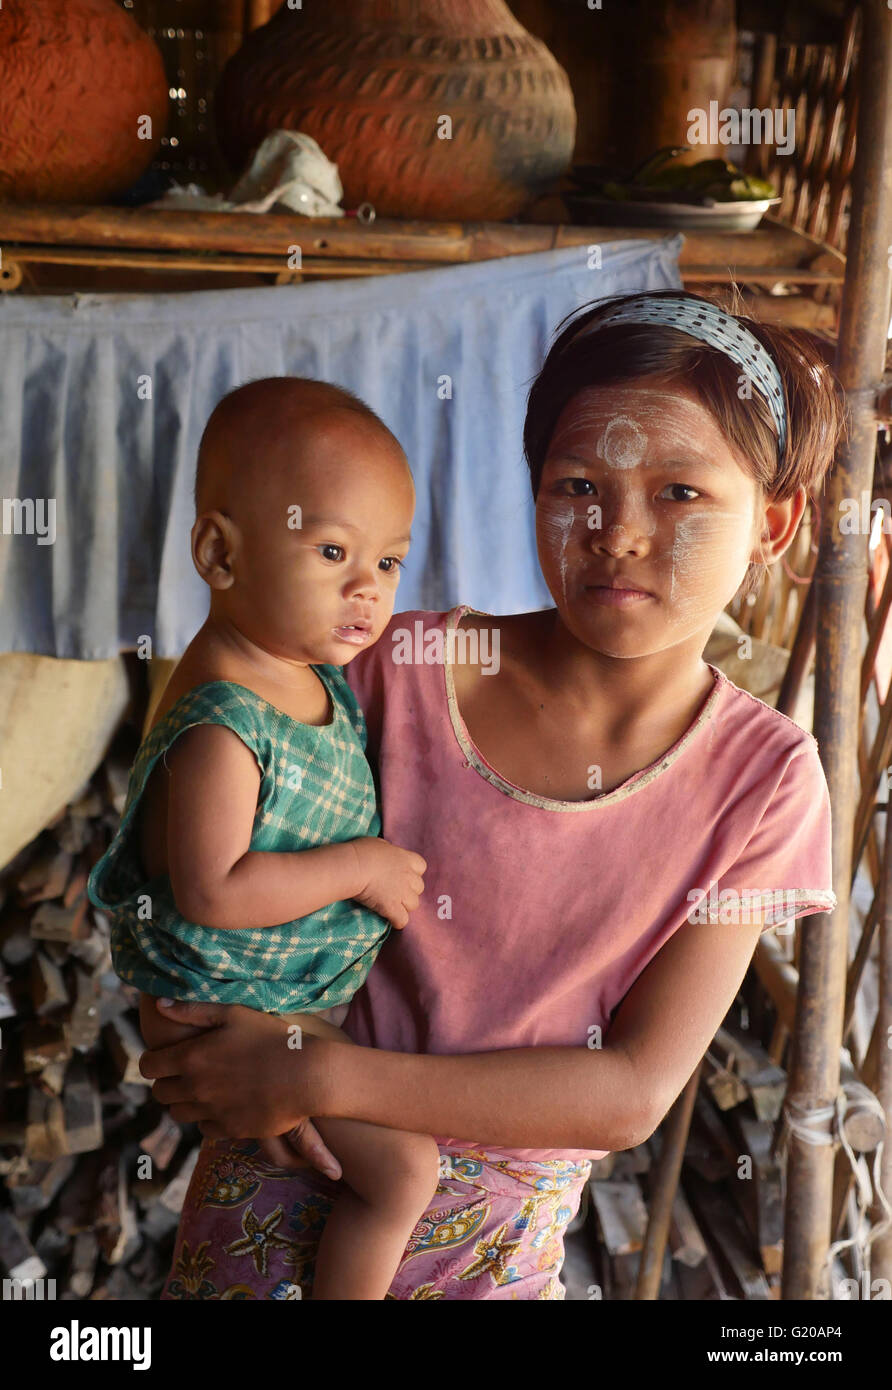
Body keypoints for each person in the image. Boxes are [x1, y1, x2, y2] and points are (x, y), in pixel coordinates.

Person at [141, 289, 844, 1301]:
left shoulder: (764, 782)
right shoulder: (399, 665)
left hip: (492, 1259)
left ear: (772, 522)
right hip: (272, 1204)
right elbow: (197, 816)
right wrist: (191, 1026)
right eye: (576, 484)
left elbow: (630, 1089)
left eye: (680, 492)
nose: (617, 531)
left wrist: (324, 1073)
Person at [88, 377, 438, 1300]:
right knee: (404, 1174)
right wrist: (359, 868)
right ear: (219, 552)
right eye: (333, 551)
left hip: (273, 994)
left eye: (390, 563)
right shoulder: (223, 723)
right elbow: (212, 890)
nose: (368, 589)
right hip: (223, 1003)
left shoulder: (304, 672)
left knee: (309, 1171)